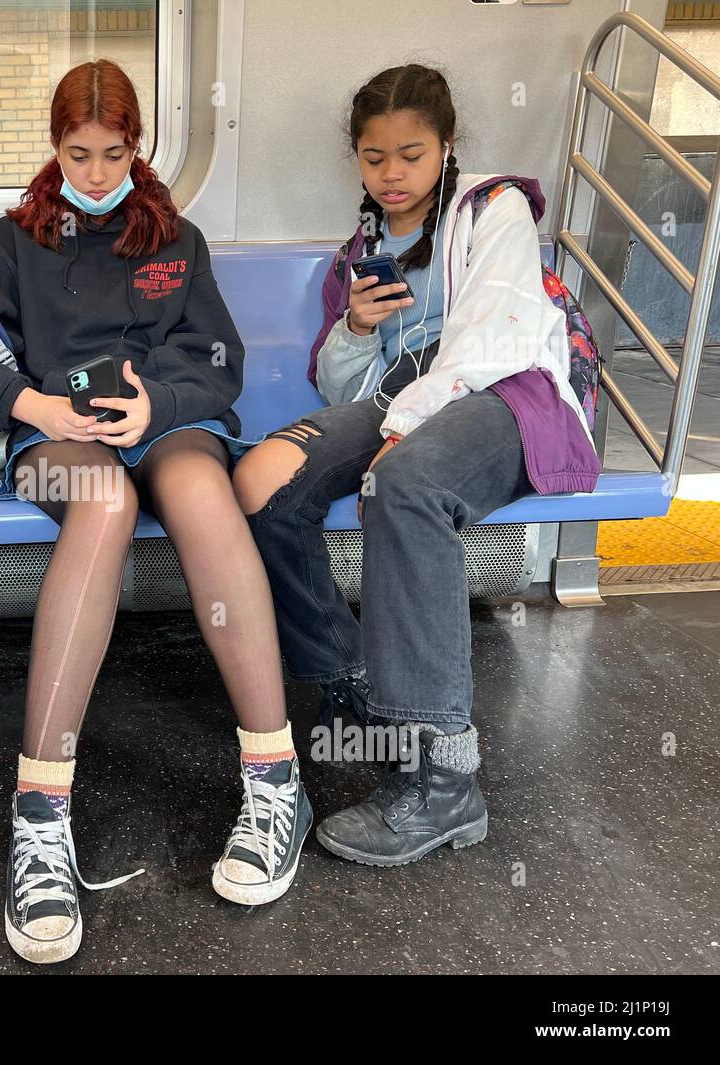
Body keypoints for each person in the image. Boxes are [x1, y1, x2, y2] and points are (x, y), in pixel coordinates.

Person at [0, 60, 309, 964]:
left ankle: (274, 776)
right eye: (77, 154)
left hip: (165, 422)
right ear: (54, 150)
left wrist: (157, 409)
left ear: (137, 148)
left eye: (112, 154)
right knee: (99, 500)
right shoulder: (18, 240)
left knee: (200, 491)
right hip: (56, 436)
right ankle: (41, 812)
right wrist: (35, 407)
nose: (95, 175)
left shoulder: (176, 238)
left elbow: (216, 361)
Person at [232, 64, 599, 868]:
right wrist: (358, 329)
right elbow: (337, 387)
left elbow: (494, 339)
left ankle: (444, 776)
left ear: (446, 147)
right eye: (372, 158)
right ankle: (351, 679)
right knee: (262, 481)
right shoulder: (362, 250)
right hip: (403, 404)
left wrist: (406, 428)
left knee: (407, 483)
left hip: (505, 399)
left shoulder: (494, 210)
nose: (391, 175)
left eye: (410, 154)